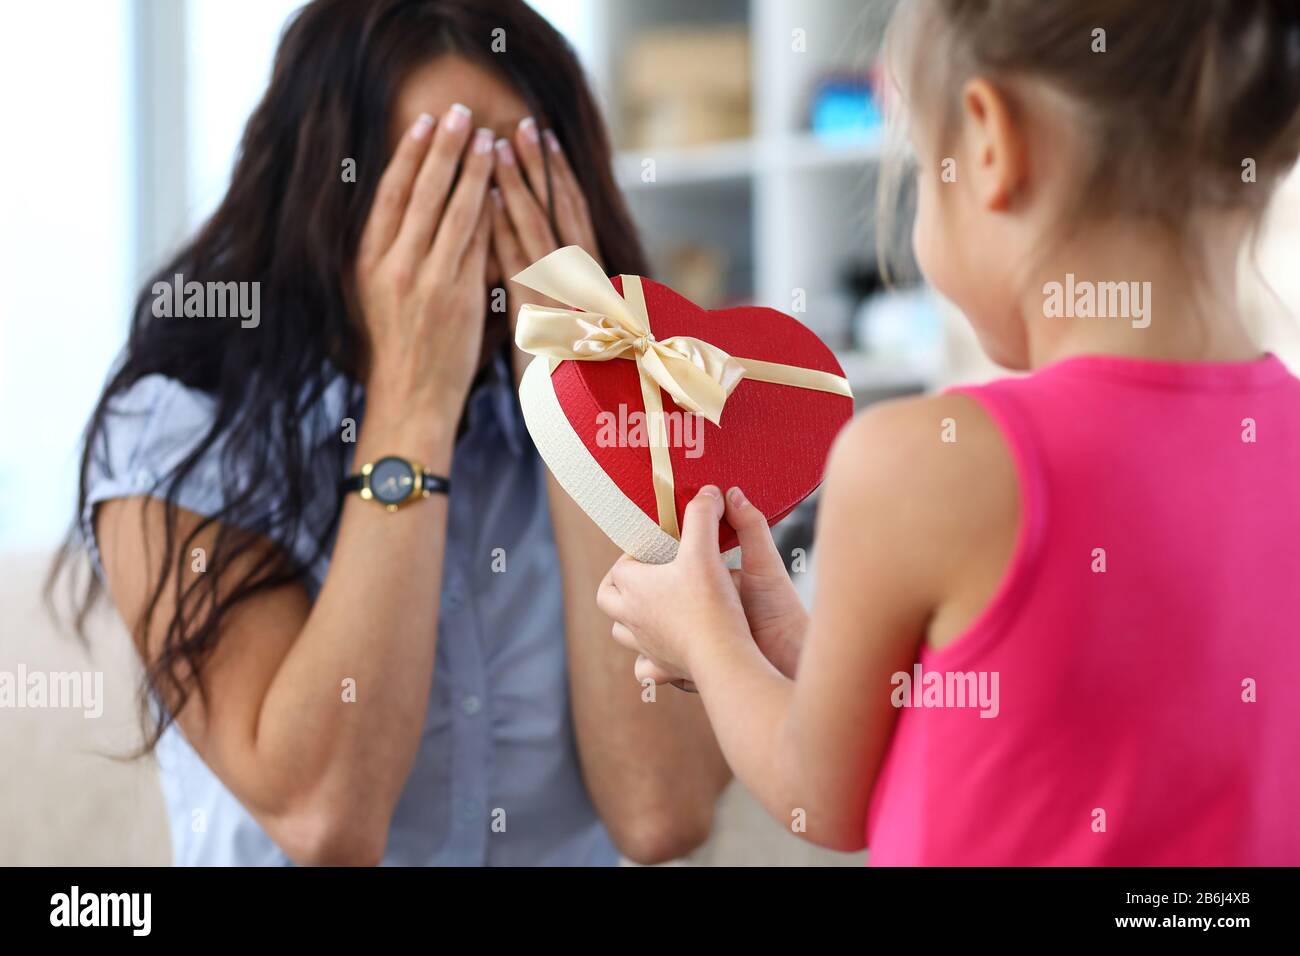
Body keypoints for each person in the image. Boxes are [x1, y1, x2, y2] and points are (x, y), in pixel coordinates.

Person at [600, 0, 1300, 865]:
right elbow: (1028, 718)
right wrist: (798, 652)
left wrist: (704, 642)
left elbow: (822, 799)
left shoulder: (931, 462)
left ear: (990, 143)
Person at [52, 0, 729, 866]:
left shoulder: (652, 420)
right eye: (438, 180)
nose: (480, 235)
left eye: (513, 179)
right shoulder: (174, 432)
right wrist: (412, 402)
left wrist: (576, 407)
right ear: (319, 188)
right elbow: (324, 815)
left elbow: (660, 812)